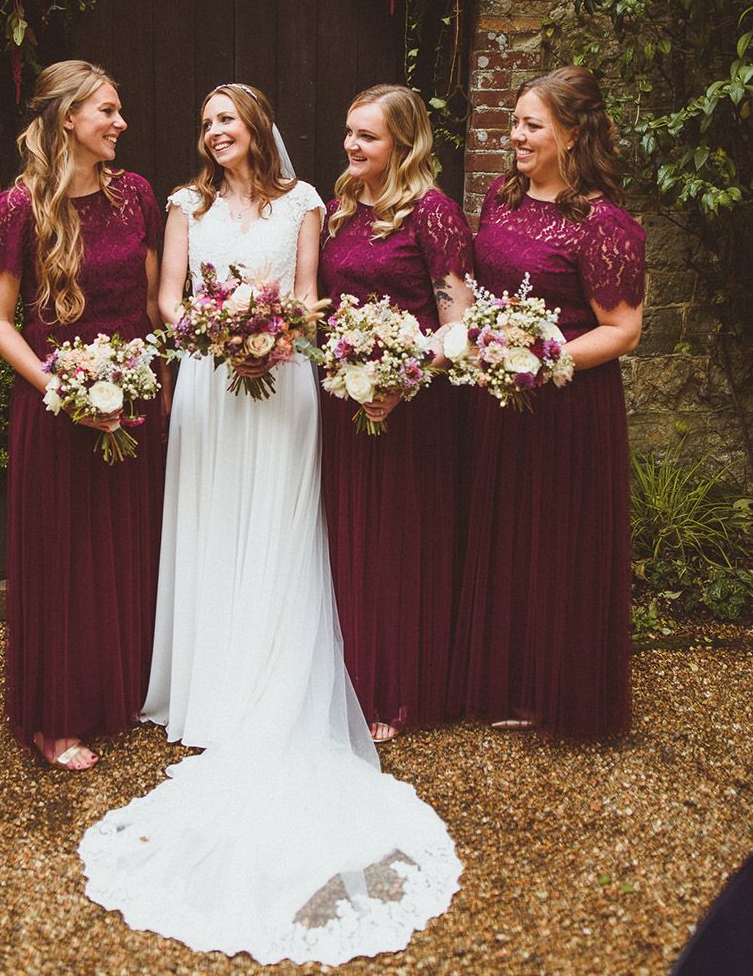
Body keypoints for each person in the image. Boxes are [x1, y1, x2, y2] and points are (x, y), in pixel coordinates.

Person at [78, 84, 462, 965]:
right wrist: (215, 331)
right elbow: (168, 301)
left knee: (285, 523)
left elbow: (310, 295)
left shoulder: (308, 203)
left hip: (285, 378)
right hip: (213, 380)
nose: (214, 132)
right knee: (211, 519)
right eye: (204, 120)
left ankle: (272, 674)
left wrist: (274, 331)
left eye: (227, 119)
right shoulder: (182, 205)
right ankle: (207, 686)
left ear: (256, 127)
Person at [448, 66, 645, 738]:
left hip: (567, 410)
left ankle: (556, 689)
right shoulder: (501, 201)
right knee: (504, 536)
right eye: (515, 123)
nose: (517, 136)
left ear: (570, 134)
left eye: (532, 124)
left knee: (555, 545)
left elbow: (623, 329)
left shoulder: (602, 224)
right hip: (499, 402)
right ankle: (505, 680)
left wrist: (543, 355)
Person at [0, 59, 165, 771]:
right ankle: (53, 716)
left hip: (135, 399)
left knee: (125, 549)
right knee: (64, 559)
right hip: (56, 405)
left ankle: (116, 694)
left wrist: (162, 382)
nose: (121, 124)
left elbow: (149, 306)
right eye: (107, 112)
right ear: (69, 121)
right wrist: (63, 387)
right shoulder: (18, 207)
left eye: (119, 113)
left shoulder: (137, 195)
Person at [319, 84, 474, 742]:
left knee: (401, 546)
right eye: (350, 132)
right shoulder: (340, 207)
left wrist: (402, 380)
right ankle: (351, 682)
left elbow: (459, 325)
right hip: (345, 403)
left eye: (369, 136)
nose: (352, 145)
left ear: (402, 145)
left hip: (413, 411)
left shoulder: (433, 214)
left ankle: (400, 688)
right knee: (352, 541)